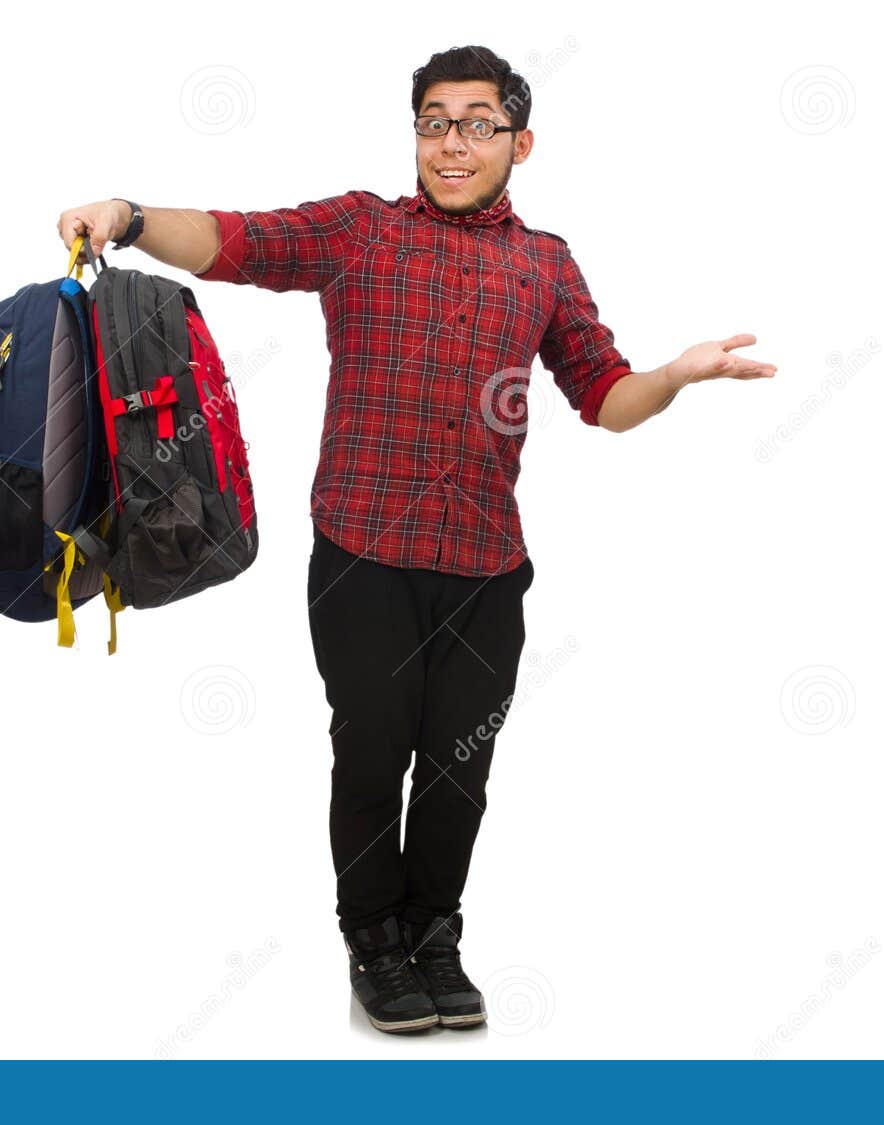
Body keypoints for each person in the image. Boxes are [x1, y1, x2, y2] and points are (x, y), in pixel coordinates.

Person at [58, 44, 776, 1034]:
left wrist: (676, 373)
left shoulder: (545, 263)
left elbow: (605, 398)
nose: (452, 142)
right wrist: (130, 218)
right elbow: (236, 241)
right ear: (416, 135)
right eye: (434, 121)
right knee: (370, 754)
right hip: (362, 557)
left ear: (520, 141)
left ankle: (435, 934)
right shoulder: (359, 231)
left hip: (485, 570)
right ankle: (373, 942)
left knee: (456, 765)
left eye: (479, 123)